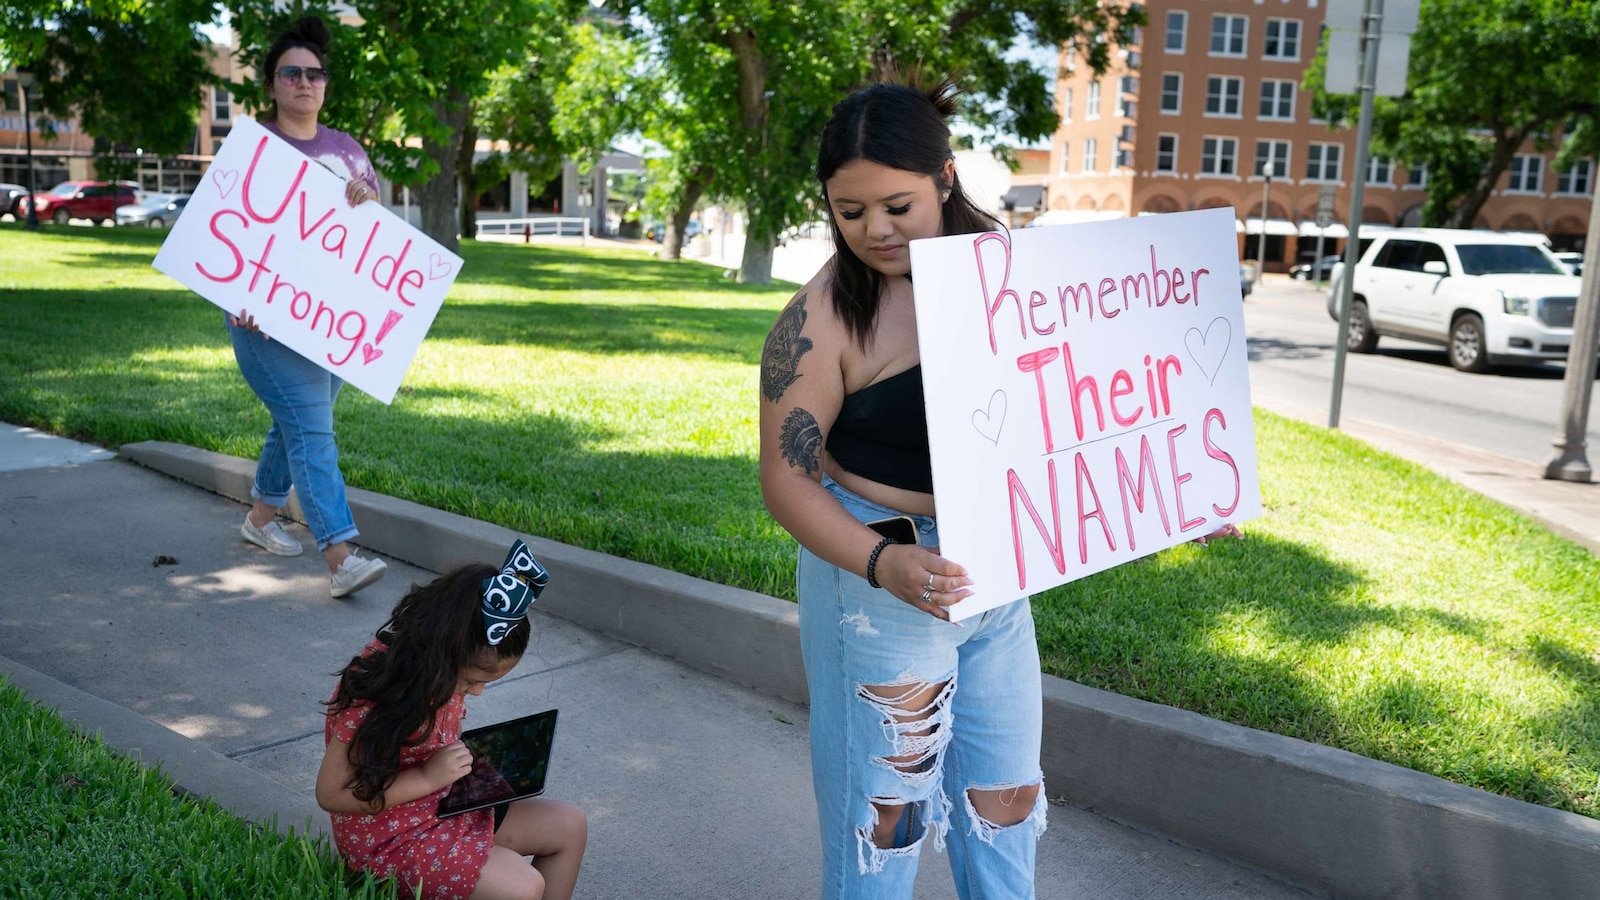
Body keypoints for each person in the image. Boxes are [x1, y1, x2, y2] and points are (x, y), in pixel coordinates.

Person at [758, 76, 1240, 900]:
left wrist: (1173, 495)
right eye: (850, 211)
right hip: (880, 577)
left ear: (945, 178)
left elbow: (1080, 413)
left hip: (997, 568)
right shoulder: (822, 318)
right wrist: (881, 563)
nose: (875, 229)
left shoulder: (1014, 273)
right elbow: (784, 480)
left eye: (898, 206)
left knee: (1005, 801)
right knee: (887, 820)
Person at [315, 541, 588, 900]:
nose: (477, 692)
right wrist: (427, 777)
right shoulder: (379, 692)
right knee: (523, 885)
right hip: (389, 836)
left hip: (443, 803)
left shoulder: (441, 672)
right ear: (443, 649)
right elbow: (330, 793)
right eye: (472, 681)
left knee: (570, 825)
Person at [228, 14, 387, 598]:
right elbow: (222, 235)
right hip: (263, 323)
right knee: (313, 430)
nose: (303, 82)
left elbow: (374, 239)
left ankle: (259, 520)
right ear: (271, 84)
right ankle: (340, 557)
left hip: (330, 320)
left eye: (314, 74)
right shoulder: (252, 147)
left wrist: (367, 201)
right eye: (290, 73)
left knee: (294, 421)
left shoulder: (347, 151)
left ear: (325, 85)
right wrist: (236, 296)